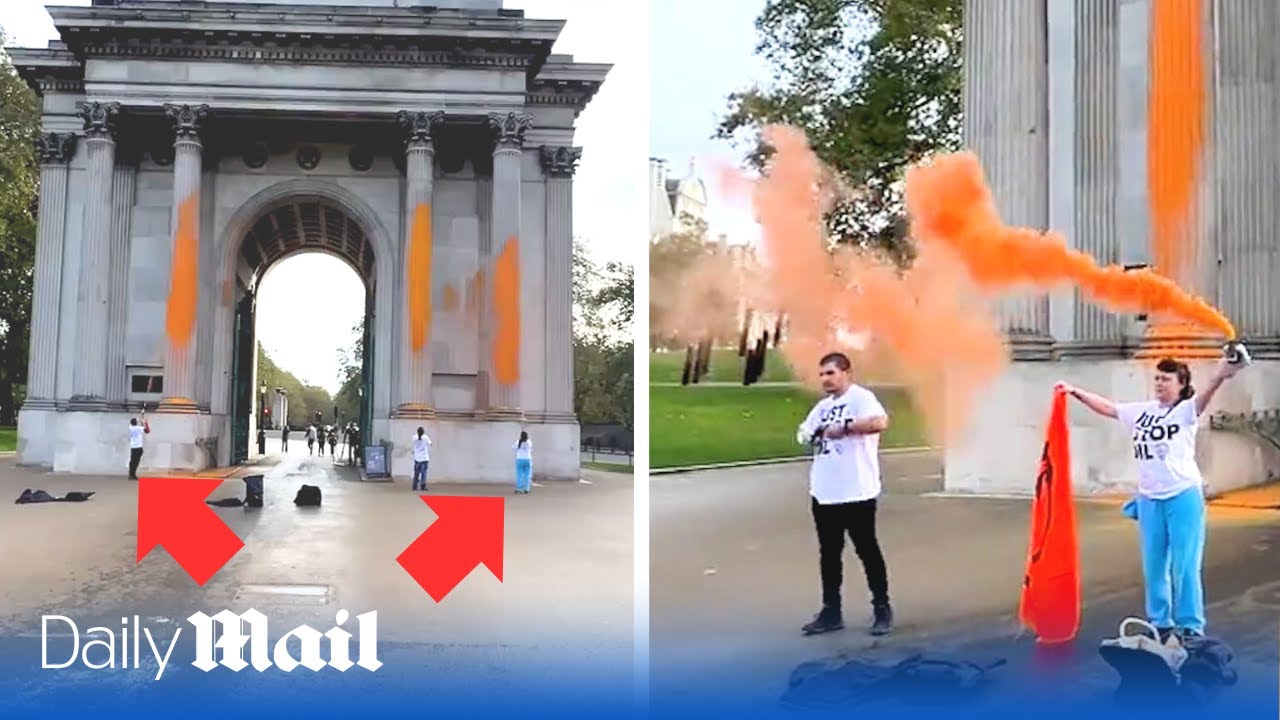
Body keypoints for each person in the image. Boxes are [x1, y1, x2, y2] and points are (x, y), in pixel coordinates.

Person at [1058, 355, 1246, 641]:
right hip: (1150, 499)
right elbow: (1109, 408)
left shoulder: (1185, 411)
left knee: (1184, 566)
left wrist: (1221, 373)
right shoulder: (1141, 411)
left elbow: (1206, 394)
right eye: (1157, 378)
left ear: (1182, 385)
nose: (1159, 383)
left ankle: (1191, 626)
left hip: (1183, 495)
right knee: (1155, 566)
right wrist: (1074, 392)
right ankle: (1160, 622)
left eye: (1166, 379)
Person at [794, 351, 893, 637]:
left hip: (857, 490)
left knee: (867, 550)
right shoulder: (822, 407)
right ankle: (831, 611)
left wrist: (846, 428)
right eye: (822, 374)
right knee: (829, 554)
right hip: (825, 492)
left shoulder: (861, 398)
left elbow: (879, 422)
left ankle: (882, 607)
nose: (825, 379)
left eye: (831, 373)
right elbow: (805, 431)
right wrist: (810, 433)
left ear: (846, 373)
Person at [127, 411, 151, 481]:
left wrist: (141, 414)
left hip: (133, 448)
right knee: (136, 461)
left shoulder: (130, 427)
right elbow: (147, 430)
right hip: (138, 447)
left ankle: (131, 474)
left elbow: (137, 419)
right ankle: (133, 474)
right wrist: (144, 421)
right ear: (136, 423)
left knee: (132, 461)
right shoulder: (138, 428)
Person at [411, 427, 432, 491]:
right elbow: (430, 443)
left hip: (417, 458)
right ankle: (423, 486)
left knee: (416, 473)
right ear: (423, 432)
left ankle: (414, 486)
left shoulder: (414, 437)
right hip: (424, 458)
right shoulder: (425, 437)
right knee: (424, 473)